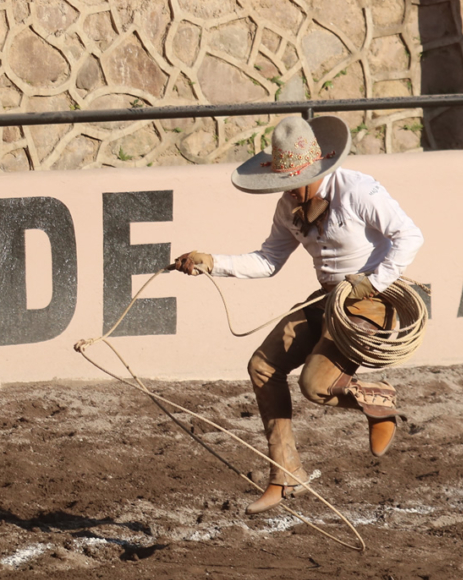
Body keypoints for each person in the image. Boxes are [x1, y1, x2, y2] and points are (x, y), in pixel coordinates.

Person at [174, 115, 424, 514]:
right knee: (262, 367)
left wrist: (372, 283)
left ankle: (378, 401)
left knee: (315, 385)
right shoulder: (288, 206)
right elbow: (269, 259)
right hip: (326, 298)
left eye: (289, 183)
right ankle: (286, 473)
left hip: (369, 301)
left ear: (312, 172)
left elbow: (409, 235)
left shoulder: (358, 190)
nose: (285, 192)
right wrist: (212, 262)